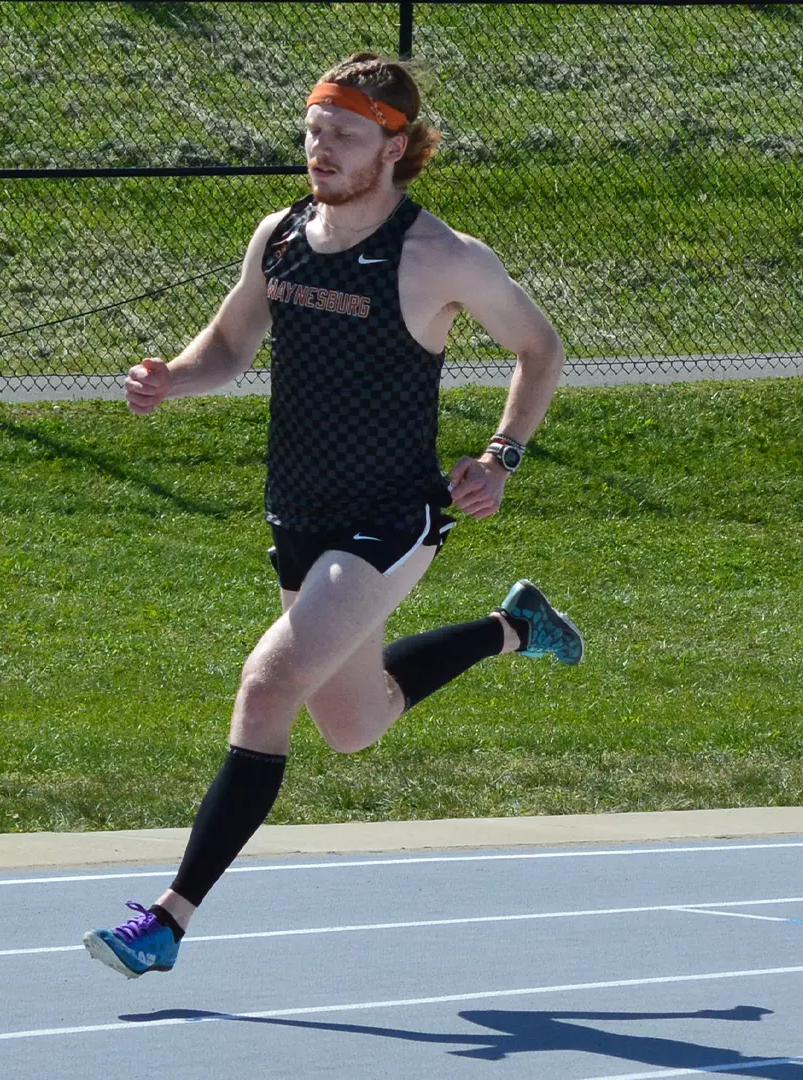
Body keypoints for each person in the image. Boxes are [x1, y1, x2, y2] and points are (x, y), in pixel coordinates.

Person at [82, 52, 583, 978]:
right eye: (314, 130)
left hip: (389, 518)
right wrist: (171, 380)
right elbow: (232, 343)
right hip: (299, 513)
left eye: (345, 134)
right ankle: (516, 628)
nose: (321, 149)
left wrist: (501, 456)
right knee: (356, 724)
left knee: (268, 689)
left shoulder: (442, 257)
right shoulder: (279, 236)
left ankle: (166, 922)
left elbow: (539, 347)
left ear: (395, 145)